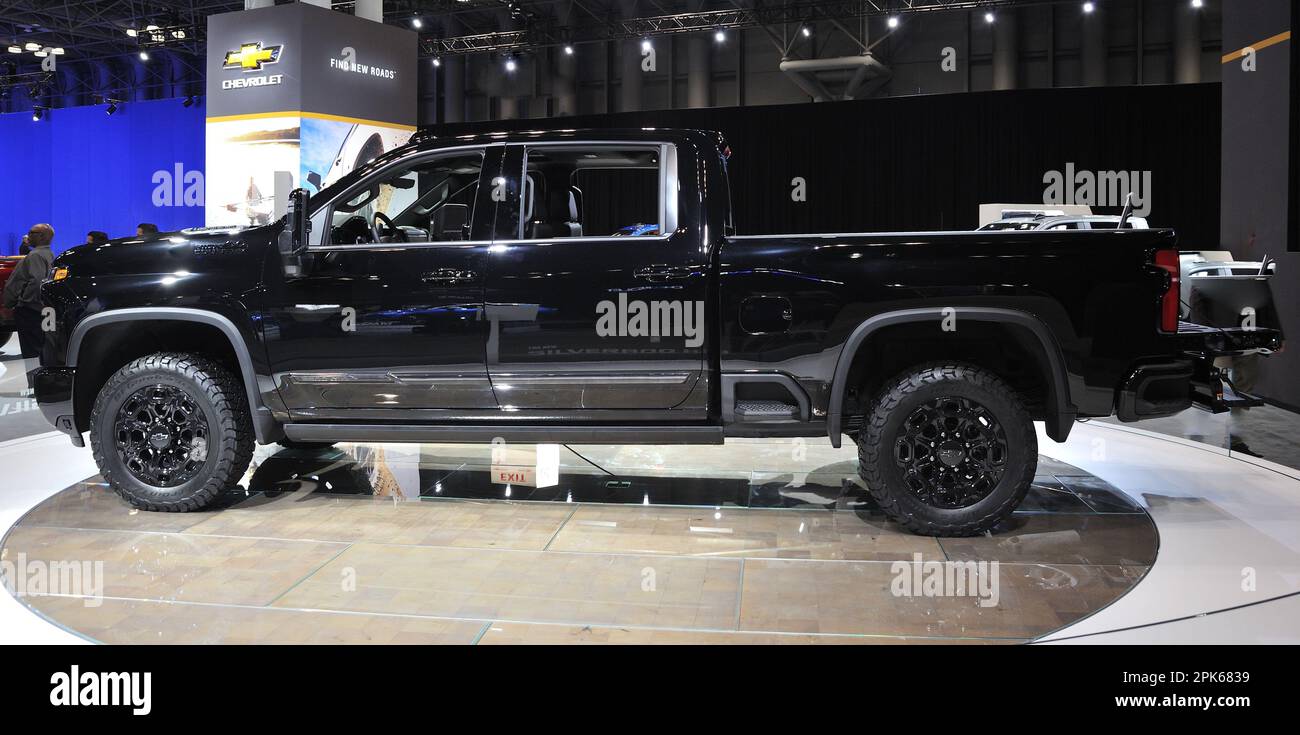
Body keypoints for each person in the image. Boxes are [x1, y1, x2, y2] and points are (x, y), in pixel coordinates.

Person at [2, 223, 55, 359]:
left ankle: (34, 379)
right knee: (44, 349)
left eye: (32, 233)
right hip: (44, 310)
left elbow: (37, 282)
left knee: (32, 353)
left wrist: (24, 303)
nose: (28, 236)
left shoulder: (35, 256)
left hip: (31, 312)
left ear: (42, 236)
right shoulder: (49, 254)